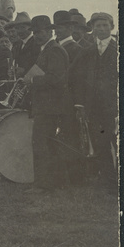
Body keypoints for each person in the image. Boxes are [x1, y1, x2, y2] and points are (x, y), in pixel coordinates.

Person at [22, 15, 71, 192]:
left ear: (50, 31)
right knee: (48, 144)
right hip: (48, 105)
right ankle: (55, 183)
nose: (37, 35)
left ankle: (42, 184)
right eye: (35, 32)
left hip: (50, 106)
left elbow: (56, 79)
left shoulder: (54, 50)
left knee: (41, 144)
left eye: (40, 32)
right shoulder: (47, 49)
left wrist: (32, 80)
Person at [70, 12, 117, 187]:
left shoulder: (119, 49)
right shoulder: (87, 52)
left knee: (118, 143)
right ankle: (108, 181)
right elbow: (76, 77)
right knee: (100, 143)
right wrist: (80, 102)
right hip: (94, 107)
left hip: (115, 107)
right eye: (98, 26)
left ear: (112, 27)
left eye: (105, 25)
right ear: (92, 29)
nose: (102, 29)